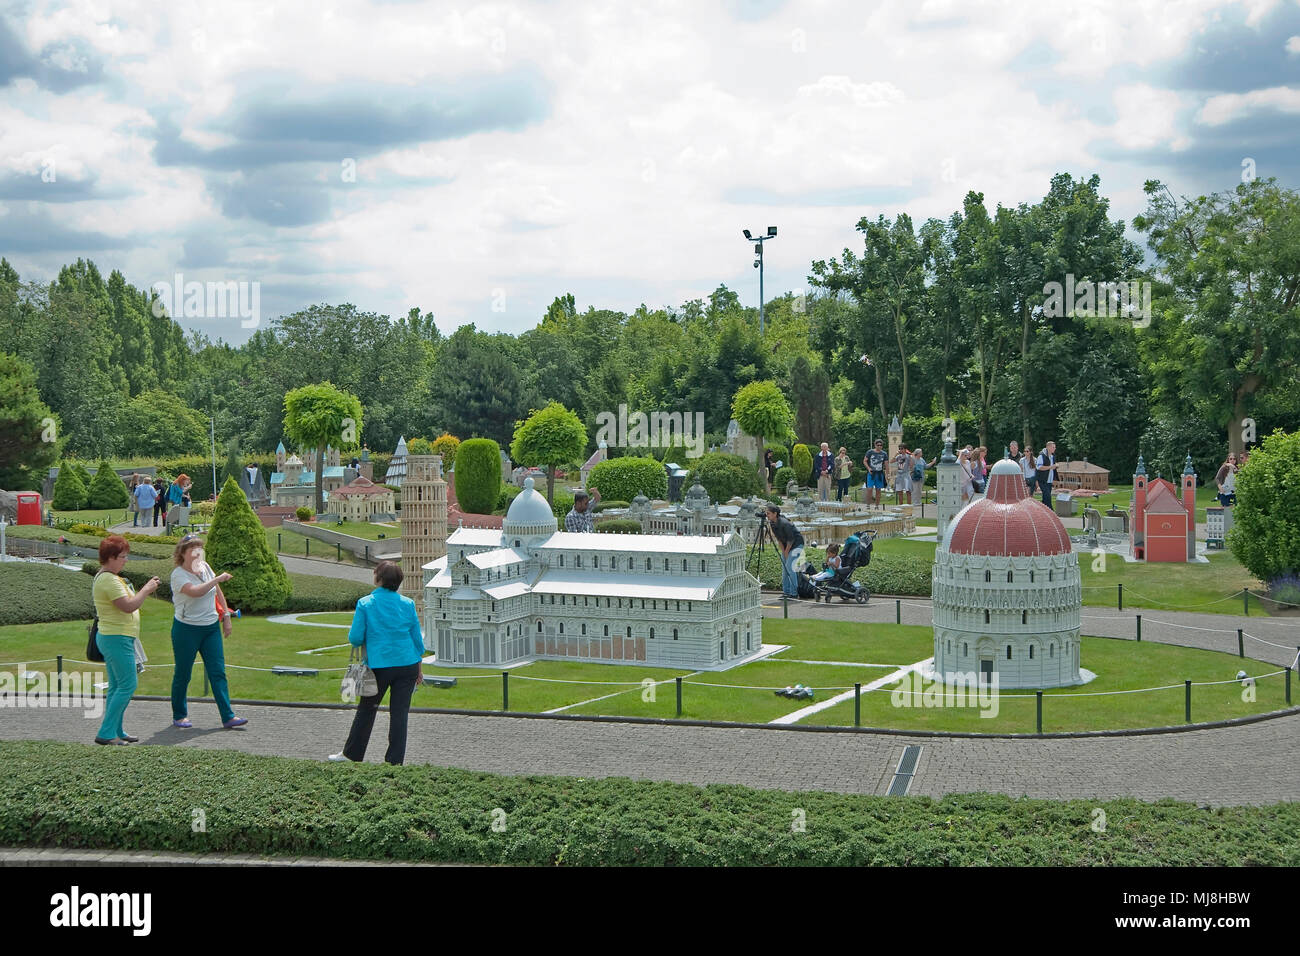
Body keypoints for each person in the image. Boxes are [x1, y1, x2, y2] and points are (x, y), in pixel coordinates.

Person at [330, 561, 425, 765]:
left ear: (378, 578)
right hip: (407, 664)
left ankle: (352, 755)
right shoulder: (408, 604)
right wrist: (419, 669)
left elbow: (355, 638)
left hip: (379, 666)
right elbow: (417, 642)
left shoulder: (365, 603)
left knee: (367, 710)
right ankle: (394, 761)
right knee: (400, 715)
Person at [169, 534, 247, 730]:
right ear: (183, 553)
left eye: (199, 549)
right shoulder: (178, 575)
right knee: (183, 673)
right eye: (192, 550)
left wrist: (226, 617)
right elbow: (196, 591)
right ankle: (179, 715)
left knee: (217, 672)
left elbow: (217, 591)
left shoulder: (205, 567)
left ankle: (228, 716)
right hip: (186, 629)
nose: (197, 554)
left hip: (210, 627)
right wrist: (218, 578)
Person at [91, 536, 160, 745]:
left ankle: (116, 730)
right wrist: (147, 589)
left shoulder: (109, 577)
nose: (125, 560)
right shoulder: (108, 580)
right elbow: (129, 606)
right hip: (117, 638)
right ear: (111, 557)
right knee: (128, 685)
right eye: (122, 557)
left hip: (116, 637)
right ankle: (106, 733)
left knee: (116, 686)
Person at [765, 504, 804, 598]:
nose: (767, 515)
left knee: (790, 568)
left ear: (775, 514)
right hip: (787, 546)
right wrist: (783, 552)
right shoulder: (772, 523)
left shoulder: (785, 523)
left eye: (768, 513)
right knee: (784, 569)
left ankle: (794, 593)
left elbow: (791, 540)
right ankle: (786, 592)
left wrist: (786, 553)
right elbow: (779, 540)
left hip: (796, 545)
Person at [863, 439, 887, 507]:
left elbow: (886, 464)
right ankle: (868, 505)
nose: (879, 446)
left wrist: (887, 474)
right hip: (871, 473)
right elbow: (864, 461)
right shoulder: (870, 452)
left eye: (881, 445)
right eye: (878, 445)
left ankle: (877, 506)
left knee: (878, 490)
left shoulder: (884, 453)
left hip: (879, 473)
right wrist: (869, 468)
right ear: (875, 445)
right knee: (869, 489)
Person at [1036, 441, 1060, 508]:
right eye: (1053, 447)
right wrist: (1051, 467)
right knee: (1048, 497)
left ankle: (1042, 512)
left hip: (1049, 481)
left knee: (1045, 498)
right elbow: (1039, 467)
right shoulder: (1041, 456)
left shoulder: (1052, 456)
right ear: (1048, 447)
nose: (1054, 448)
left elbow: (1053, 466)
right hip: (1042, 480)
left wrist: (1056, 465)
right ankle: (1052, 513)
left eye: (1055, 447)